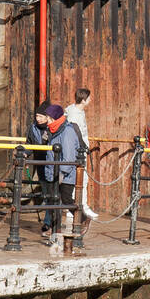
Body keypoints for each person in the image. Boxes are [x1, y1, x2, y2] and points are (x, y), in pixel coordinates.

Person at [28, 103, 80, 237]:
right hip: (52, 172)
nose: (47, 121)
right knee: (52, 201)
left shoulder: (66, 131)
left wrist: (61, 174)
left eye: (49, 119)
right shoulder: (53, 130)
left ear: (56, 118)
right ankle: (54, 229)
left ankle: (83, 219)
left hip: (63, 174)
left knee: (67, 200)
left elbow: (68, 155)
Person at [64, 87, 98, 220]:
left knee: (79, 178)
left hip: (79, 150)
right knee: (80, 178)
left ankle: (75, 206)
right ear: (83, 100)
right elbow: (75, 132)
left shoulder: (74, 110)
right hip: (77, 152)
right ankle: (79, 206)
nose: (90, 100)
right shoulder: (74, 114)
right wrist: (83, 146)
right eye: (88, 98)